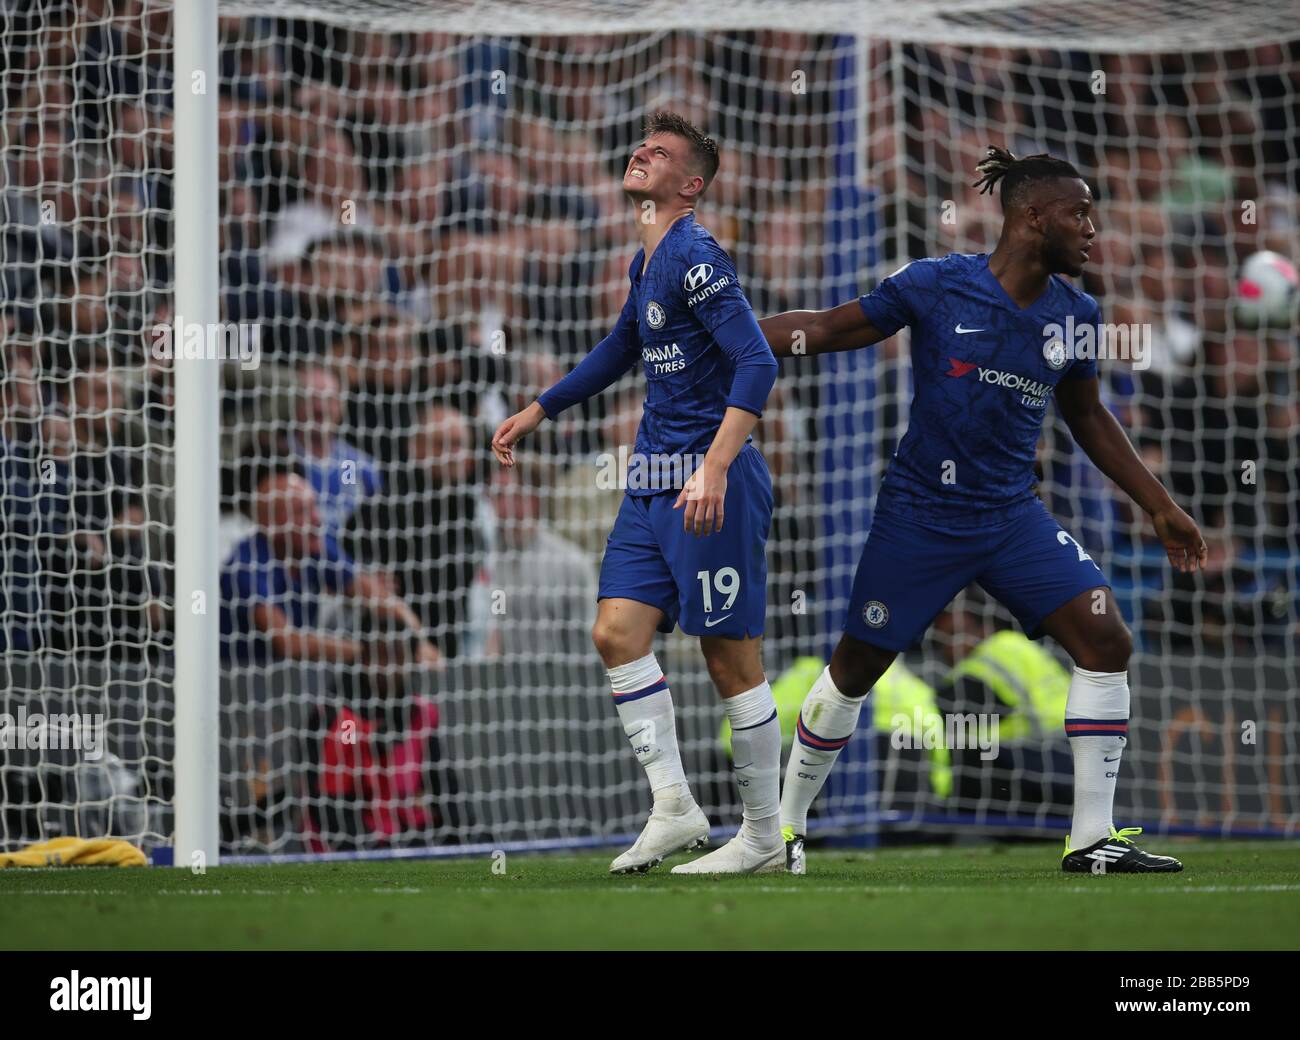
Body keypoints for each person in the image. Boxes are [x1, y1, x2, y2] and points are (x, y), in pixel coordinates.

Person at [760, 146, 1207, 875]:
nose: (1094, 229)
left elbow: (1088, 416)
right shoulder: (937, 284)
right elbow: (835, 327)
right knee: (855, 667)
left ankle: (1091, 840)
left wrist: (1158, 504)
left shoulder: (1077, 313)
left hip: (1009, 514)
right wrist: (736, 336)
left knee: (1105, 639)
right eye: (1080, 212)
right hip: (919, 514)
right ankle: (780, 833)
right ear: (1033, 217)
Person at [491, 111, 781, 875]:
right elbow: (624, 344)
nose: (641, 152)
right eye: (640, 145)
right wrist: (541, 407)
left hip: (707, 479)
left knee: (728, 656)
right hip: (650, 479)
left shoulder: (695, 254)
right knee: (616, 633)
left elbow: (757, 364)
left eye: (662, 152)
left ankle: (761, 834)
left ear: (690, 186)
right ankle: (676, 807)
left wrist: (715, 466)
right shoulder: (645, 259)